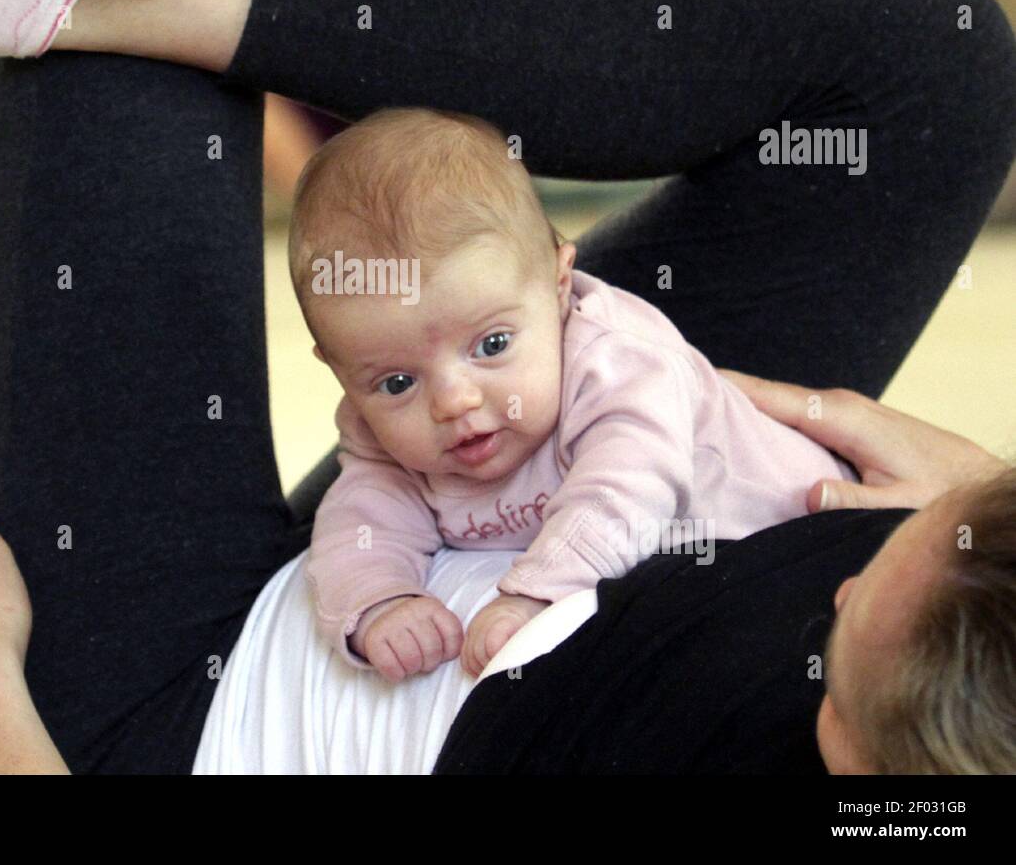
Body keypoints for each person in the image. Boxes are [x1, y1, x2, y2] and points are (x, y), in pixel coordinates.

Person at [0, 0, 1013, 773]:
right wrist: (976, 507)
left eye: (847, 666)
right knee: (929, 80)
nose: (840, 576)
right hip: (469, 499)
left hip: (180, 709)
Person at [292, 107, 858, 680]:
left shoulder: (618, 364)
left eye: (491, 345)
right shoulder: (384, 435)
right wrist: (378, 603)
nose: (454, 402)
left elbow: (625, 490)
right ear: (341, 373)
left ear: (560, 288)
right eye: (397, 382)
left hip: (807, 542)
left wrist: (538, 595)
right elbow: (357, 521)